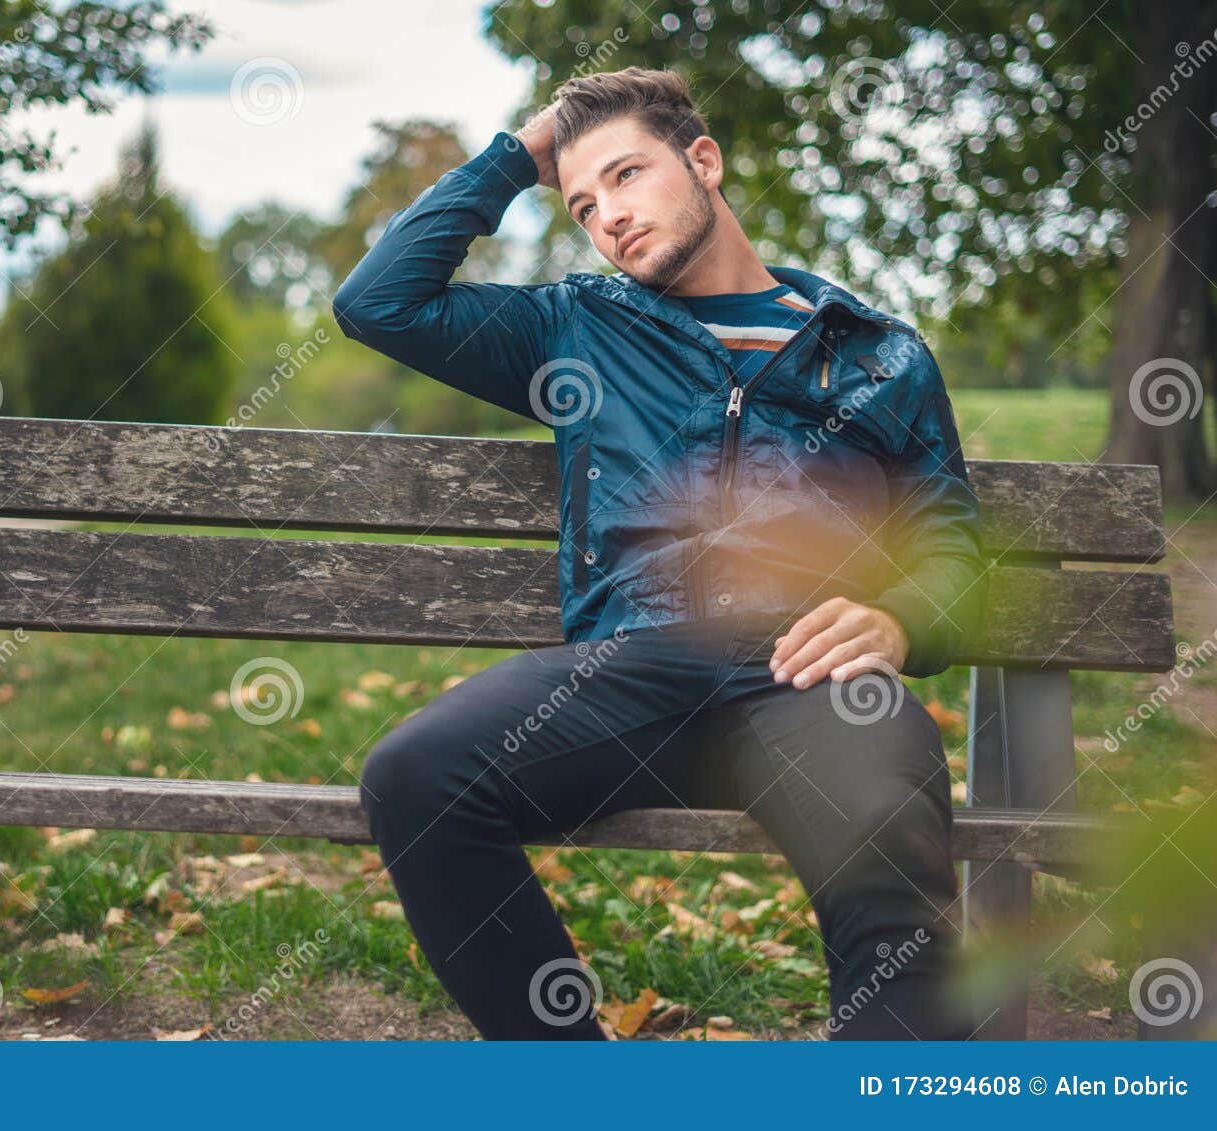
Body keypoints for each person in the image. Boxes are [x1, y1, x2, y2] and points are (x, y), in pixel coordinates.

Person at [330, 66, 988, 1041]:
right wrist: (521, 153)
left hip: (808, 680)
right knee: (416, 776)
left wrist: (898, 619)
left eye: (627, 175)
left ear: (703, 160)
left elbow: (957, 550)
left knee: (891, 878)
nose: (608, 217)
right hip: (626, 674)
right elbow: (378, 303)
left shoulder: (878, 355)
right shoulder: (573, 329)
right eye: (585, 203)